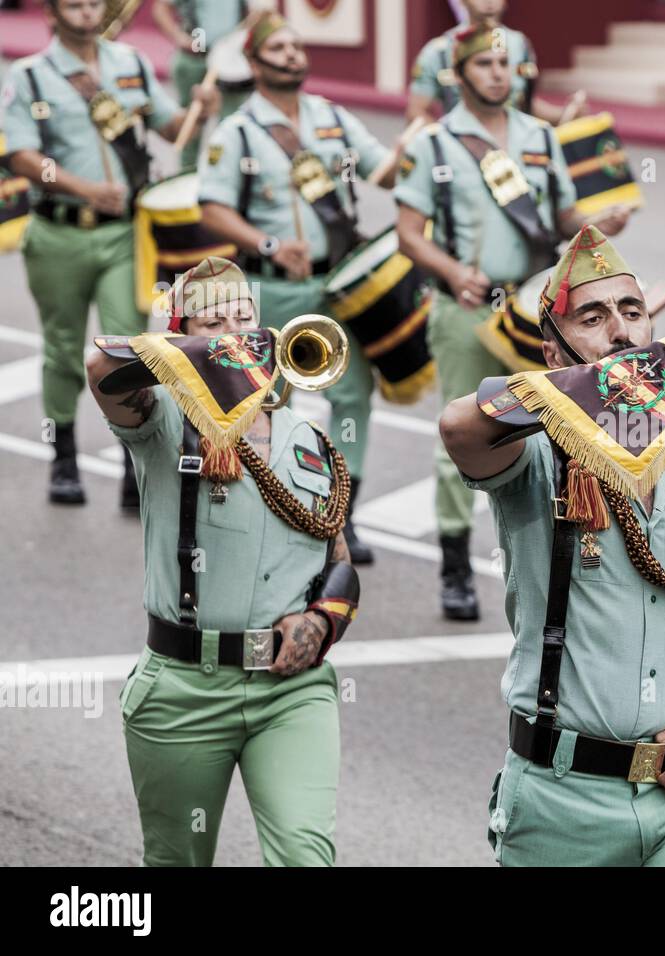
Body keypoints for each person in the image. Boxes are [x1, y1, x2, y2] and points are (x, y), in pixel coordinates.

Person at [439, 226, 665, 866]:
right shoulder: (535, 453)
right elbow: (458, 425)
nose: (621, 331)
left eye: (633, 312)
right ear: (554, 350)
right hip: (562, 803)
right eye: (593, 317)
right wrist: (592, 386)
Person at [85, 256, 361, 865]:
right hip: (184, 686)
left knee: (305, 857)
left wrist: (321, 623)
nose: (237, 331)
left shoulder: (308, 439)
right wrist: (189, 358)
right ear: (183, 336)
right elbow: (101, 365)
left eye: (246, 317)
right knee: (176, 861)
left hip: (293, 691)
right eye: (215, 321)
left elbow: (339, 562)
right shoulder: (163, 423)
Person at [395, 19, 628, 622]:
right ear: (460, 74)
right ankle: (454, 563)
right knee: (464, 426)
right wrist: (451, 270)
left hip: (532, 312)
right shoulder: (433, 144)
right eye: (484, 65)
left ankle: (562, 553)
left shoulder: (539, 136)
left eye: (505, 64)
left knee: (561, 431)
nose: (498, 74)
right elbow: (408, 235)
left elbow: (562, 215)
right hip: (468, 308)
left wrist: (600, 225)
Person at [199, 10, 401, 564]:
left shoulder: (334, 119)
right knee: (266, 400)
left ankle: (346, 514)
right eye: (278, 48)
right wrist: (266, 244)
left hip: (335, 287)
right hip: (272, 288)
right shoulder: (235, 132)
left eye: (296, 46)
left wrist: (424, 139)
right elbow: (210, 208)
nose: (291, 54)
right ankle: (270, 502)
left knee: (354, 395)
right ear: (255, 62)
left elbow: (386, 172)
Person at [1, 0, 215, 508]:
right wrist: (81, 187)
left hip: (123, 236)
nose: (86, 12)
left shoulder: (131, 63)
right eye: (74, 5)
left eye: (93, 3)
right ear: (52, 15)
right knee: (61, 350)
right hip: (59, 234)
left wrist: (199, 108)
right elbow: (23, 158)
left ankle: (133, 465)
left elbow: (169, 128)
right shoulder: (31, 76)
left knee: (129, 349)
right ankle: (64, 458)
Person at [406, 0, 577, 126]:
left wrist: (565, 114)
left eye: (503, 63)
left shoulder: (520, 43)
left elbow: (524, 103)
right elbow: (416, 112)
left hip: (514, 144)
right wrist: (447, 143)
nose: (489, 1)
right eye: (483, 63)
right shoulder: (440, 50)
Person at [152, 0, 252, 169]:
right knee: (190, 124)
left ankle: (225, 177)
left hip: (229, 61)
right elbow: (160, 8)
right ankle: (186, 176)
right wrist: (181, 38)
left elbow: (247, 13)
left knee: (231, 126)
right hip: (195, 59)